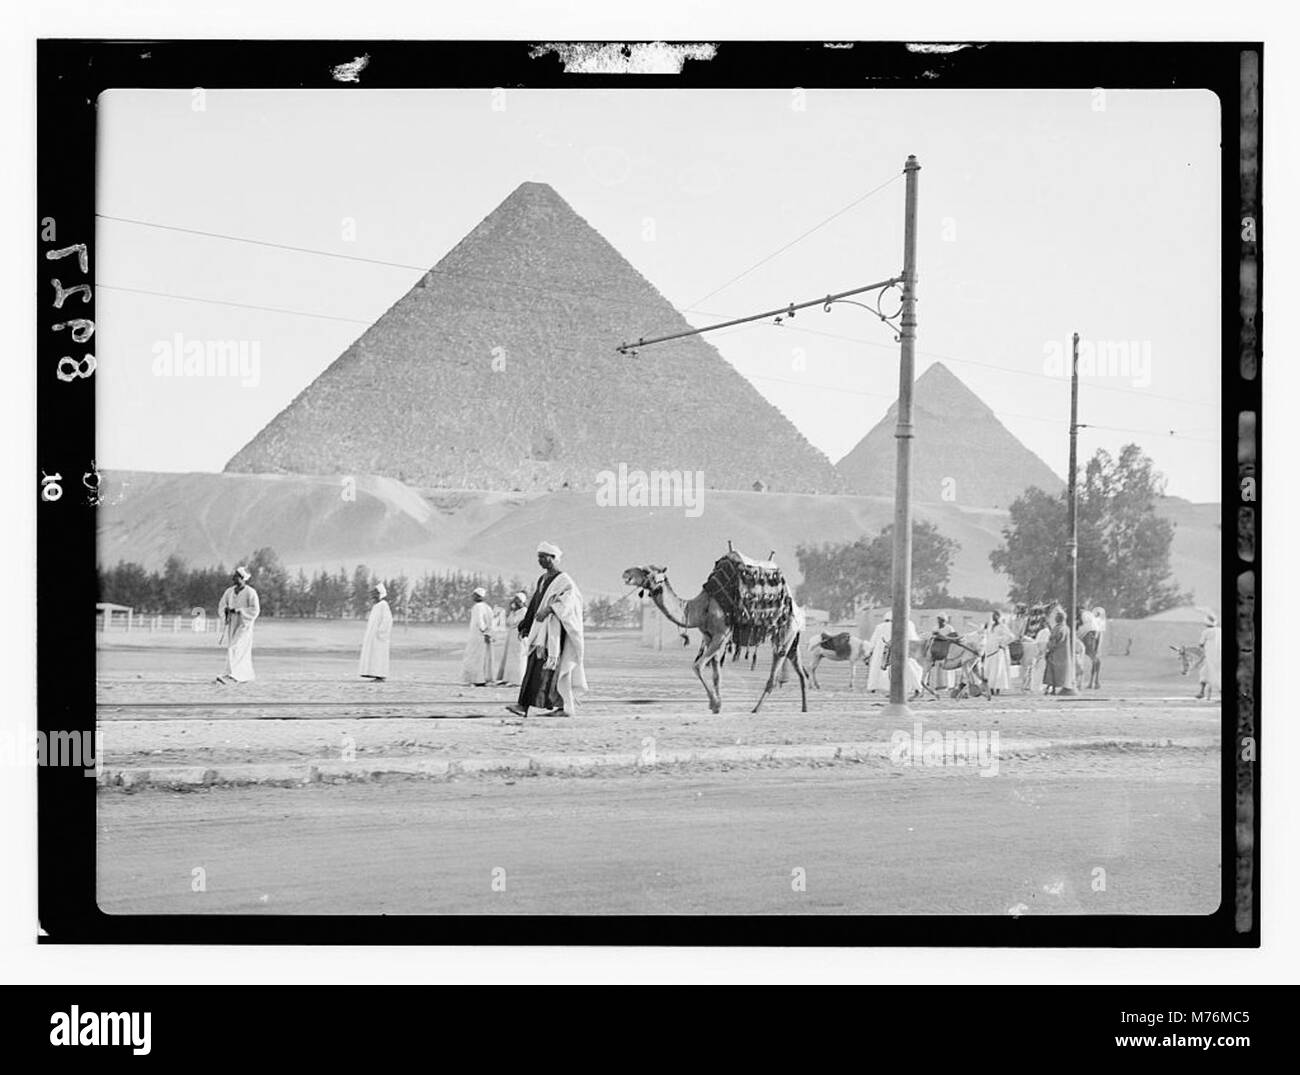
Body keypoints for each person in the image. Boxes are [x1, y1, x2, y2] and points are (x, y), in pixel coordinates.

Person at [507, 542, 588, 717]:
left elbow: (571, 602)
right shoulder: (543, 579)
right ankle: (523, 706)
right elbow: (535, 604)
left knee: (553, 670)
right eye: (538, 557)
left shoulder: (564, 581)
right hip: (541, 632)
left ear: (553, 558)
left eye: (543, 557)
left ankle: (560, 706)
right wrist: (526, 625)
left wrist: (551, 609)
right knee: (534, 668)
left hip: (556, 633)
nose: (540, 560)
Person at [215, 566, 260, 684]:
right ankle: (239, 674)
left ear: (242, 578)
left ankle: (233, 674)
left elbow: (255, 610)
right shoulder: (229, 591)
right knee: (235, 648)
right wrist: (226, 611)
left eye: (236, 576)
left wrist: (239, 610)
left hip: (244, 625)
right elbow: (222, 605)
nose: (233, 577)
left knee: (235, 647)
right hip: (232, 624)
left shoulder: (250, 592)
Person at [461, 587, 495, 686]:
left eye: (474, 595)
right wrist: (488, 633)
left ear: (478, 596)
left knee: (475, 657)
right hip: (484, 635)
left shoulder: (477, 607)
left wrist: (483, 631)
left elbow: (480, 622)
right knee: (482, 657)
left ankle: (477, 680)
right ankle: (482, 678)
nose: (472, 597)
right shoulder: (487, 607)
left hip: (477, 636)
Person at [495, 591, 529, 687]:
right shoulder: (514, 612)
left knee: (519, 658)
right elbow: (508, 622)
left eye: (518, 600)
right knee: (510, 658)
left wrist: (513, 614)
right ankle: (509, 678)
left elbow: (515, 622)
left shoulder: (524, 611)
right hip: (512, 637)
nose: (516, 602)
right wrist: (511, 611)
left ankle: (518, 680)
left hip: (519, 637)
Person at [359, 582, 392, 680]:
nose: (372, 597)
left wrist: (381, 632)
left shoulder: (383, 605)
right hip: (373, 636)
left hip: (379, 637)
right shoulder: (377, 606)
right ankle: (371, 672)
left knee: (378, 654)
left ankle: (379, 674)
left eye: (375, 594)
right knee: (372, 654)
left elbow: (387, 620)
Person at [982, 610, 1014, 695]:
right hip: (989, 651)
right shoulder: (990, 626)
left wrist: (1002, 643)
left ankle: (997, 688)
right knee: (989, 670)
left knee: (998, 670)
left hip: (998, 651)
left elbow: (1011, 637)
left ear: (999, 617)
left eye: (996, 615)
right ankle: (990, 688)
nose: (994, 617)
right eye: (993, 615)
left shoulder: (1002, 626)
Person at [1043, 610, 1070, 695]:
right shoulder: (1066, 628)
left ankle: (1050, 688)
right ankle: (1052, 689)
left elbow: (1054, 641)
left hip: (1055, 653)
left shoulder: (1058, 628)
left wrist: (1049, 649)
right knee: (1057, 672)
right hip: (1063, 654)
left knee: (1051, 671)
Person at [1197, 611, 1222, 701]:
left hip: (1210, 657)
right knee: (1217, 674)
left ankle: (1202, 692)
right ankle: (1202, 692)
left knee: (1205, 673)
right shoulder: (1220, 631)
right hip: (1220, 656)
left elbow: (1201, 644)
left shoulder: (1206, 632)